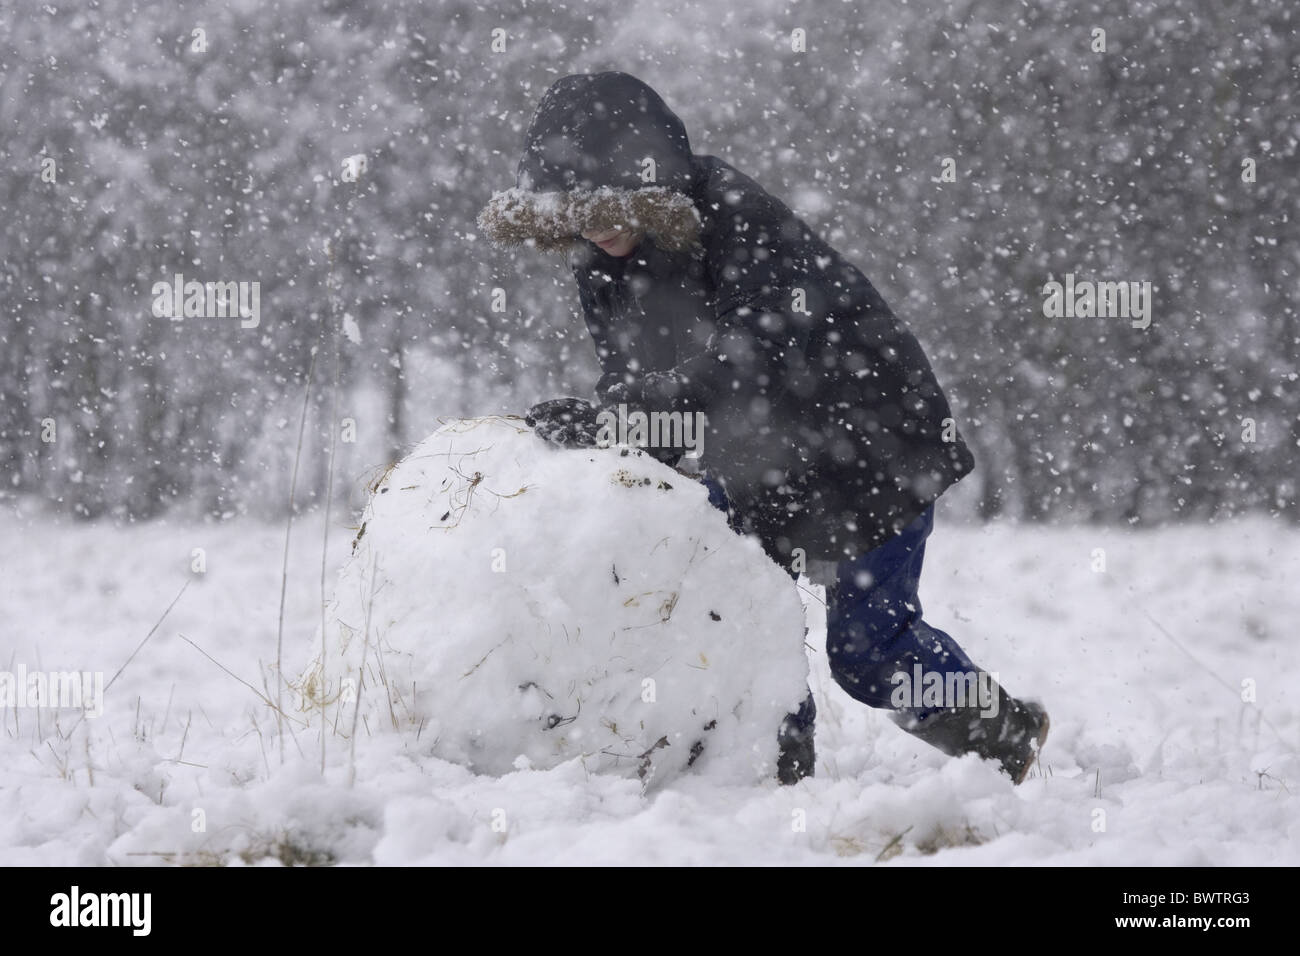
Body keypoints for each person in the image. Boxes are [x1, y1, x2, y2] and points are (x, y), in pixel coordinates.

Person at [479, 71, 1048, 785]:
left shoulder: (737, 219)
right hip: (755, 461)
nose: (597, 226)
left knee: (868, 652)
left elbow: (752, 358)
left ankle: (1000, 732)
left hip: (869, 447)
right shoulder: (602, 265)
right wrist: (611, 428)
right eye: (577, 211)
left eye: (612, 206)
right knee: (738, 618)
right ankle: (773, 770)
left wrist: (628, 419)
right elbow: (632, 376)